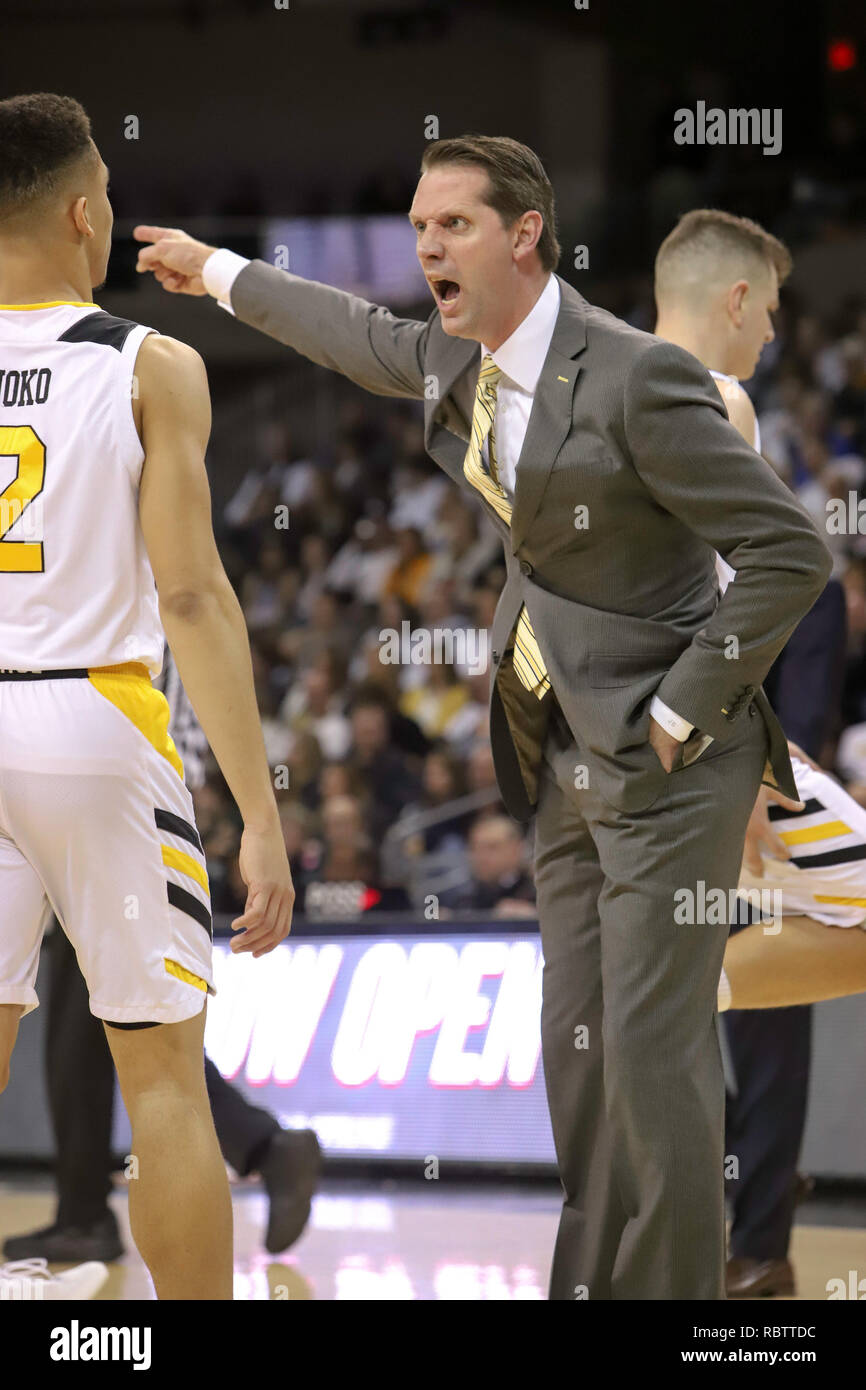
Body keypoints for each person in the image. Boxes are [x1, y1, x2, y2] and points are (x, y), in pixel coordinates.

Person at [134, 134, 832, 1300]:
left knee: (653, 1058)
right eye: (415, 226)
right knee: (582, 1056)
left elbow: (789, 551)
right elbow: (346, 331)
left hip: (668, 760)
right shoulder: (455, 363)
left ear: (524, 235)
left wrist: (678, 708)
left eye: (448, 224)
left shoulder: (633, 374)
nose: (422, 246)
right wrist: (215, 271)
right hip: (554, 745)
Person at [0, 93, 295, 1300]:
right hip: (95, 717)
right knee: (164, 1085)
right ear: (84, 213)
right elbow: (192, 598)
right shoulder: (146, 363)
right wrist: (261, 814)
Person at [654, 209, 859, 1297]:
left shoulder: (579, 393)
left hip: (629, 750)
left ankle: (750, 1247)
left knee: (711, 1022)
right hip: (709, 754)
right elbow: (722, 614)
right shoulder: (711, 399)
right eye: (769, 311)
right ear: (734, 300)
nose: (772, 335)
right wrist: (733, 768)